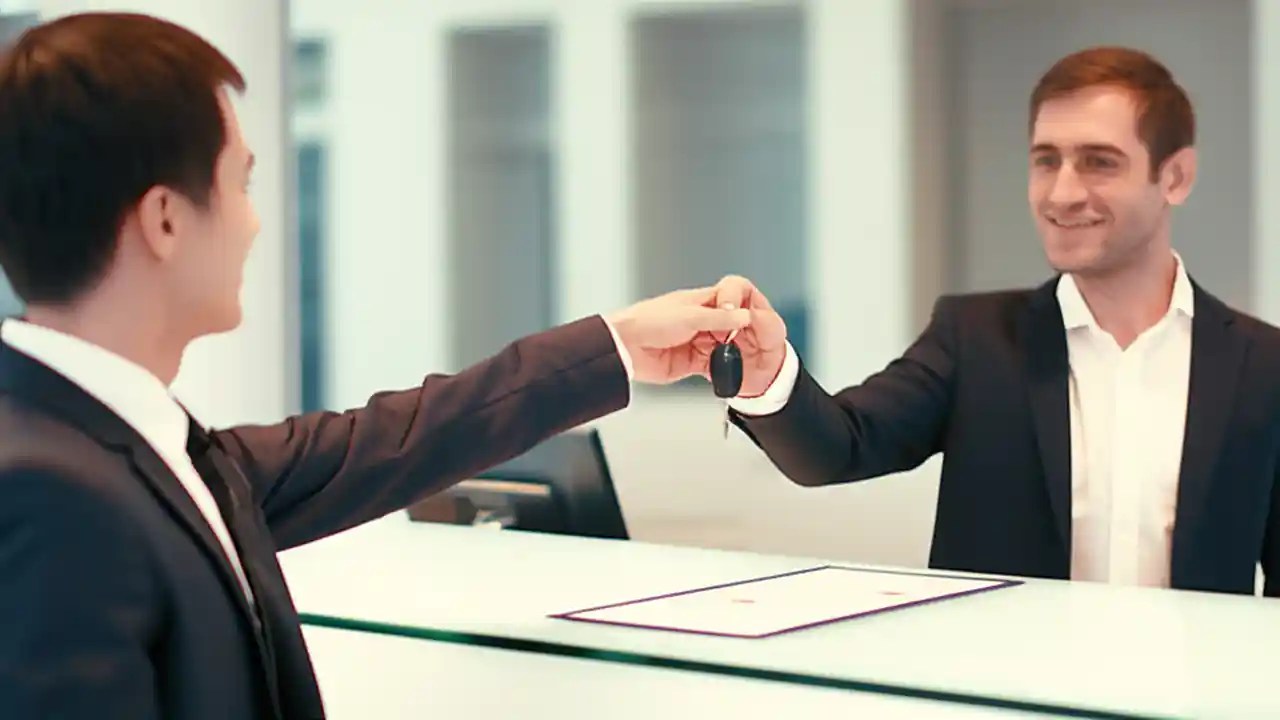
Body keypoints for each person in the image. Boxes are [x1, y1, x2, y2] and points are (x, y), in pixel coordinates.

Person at [0, 12, 754, 720]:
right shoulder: (51, 495)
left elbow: (388, 442)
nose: (254, 222)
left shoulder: (127, 443)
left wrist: (618, 344)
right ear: (165, 220)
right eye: (241, 184)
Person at [713, 46, 1279, 598]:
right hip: (1001, 665)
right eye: (1046, 160)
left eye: (1099, 162)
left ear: (1175, 177)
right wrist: (767, 375)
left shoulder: (1263, 366)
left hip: (1195, 667)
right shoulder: (974, 339)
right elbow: (837, 448)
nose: (1062, 193)